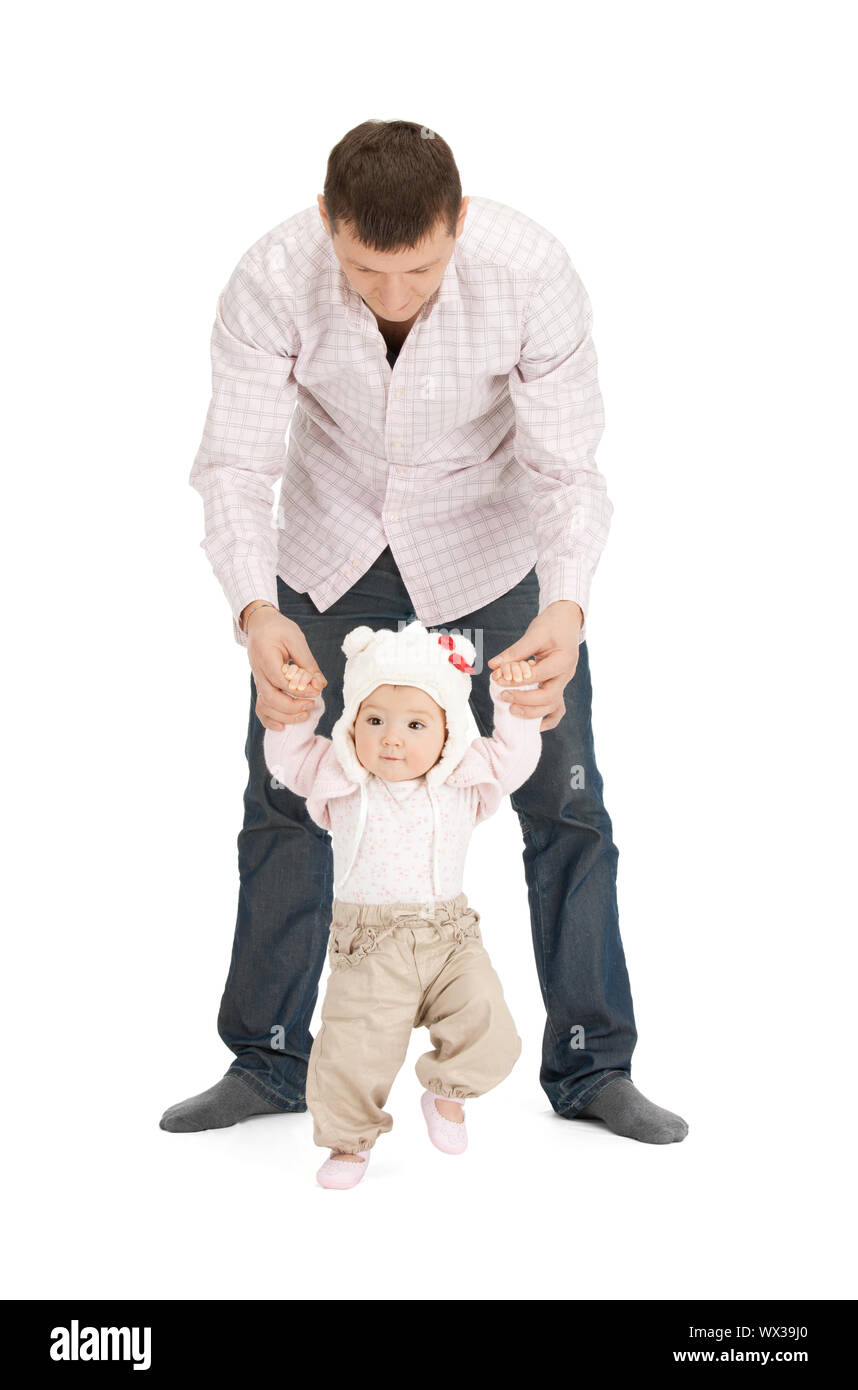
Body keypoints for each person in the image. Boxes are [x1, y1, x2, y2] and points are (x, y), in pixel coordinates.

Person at [162, 118, 688, 1145]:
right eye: (365, 268)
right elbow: (234, 466)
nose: (391, 294)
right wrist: (254, 610)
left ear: (458, 221)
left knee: (565, 802)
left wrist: (566, 605)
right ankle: (269, 1054)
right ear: (328, 226)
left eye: (420, 269)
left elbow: (568, 472)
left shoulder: (530, 272)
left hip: (489, 553)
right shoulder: (272, 276)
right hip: (325, 550)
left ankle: (591, 1063)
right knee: (285, 794)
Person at [263, 619, 543, 1188]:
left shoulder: (463, 777)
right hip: (369, 945)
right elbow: (288, 757)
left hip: (450, 941)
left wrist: (513, 702)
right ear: (352, 725)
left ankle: (446, 1091)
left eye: (416, 724)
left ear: (447, 732)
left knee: (490, 1023)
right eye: (374, 721)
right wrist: (298, 700)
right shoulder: (340, 774)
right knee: (350, 1053)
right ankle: (348, 1143)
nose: (392, 738)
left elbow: (514, 758)